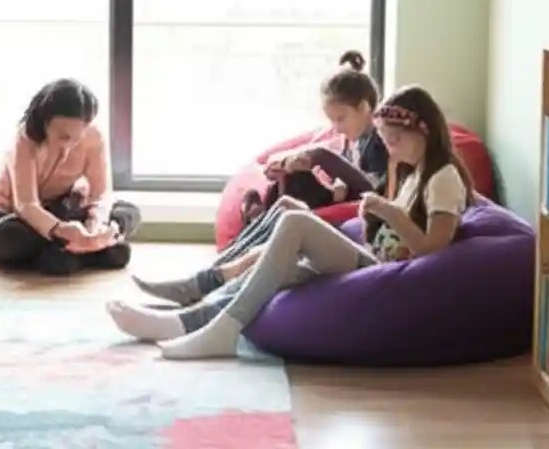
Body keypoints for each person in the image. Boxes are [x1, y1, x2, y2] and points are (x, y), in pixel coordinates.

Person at [108, 84, 473, 360]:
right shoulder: (415, 172)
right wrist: (374, 216)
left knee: (296, 224)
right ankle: (186, 321)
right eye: (386, 140)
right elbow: (396, 229)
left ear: (422, 132)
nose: (390, 148)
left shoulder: (443, 178)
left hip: (381, 271)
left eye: (394, 141)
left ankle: (221, 328)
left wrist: (390, 212)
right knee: (284, 263)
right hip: (372, 257)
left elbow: (433, 250)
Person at [126, 50, 387, 308]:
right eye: (332, 121)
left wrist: (323, 159)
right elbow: (344, 180)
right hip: (335, 209)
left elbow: (372, 189)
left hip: (351, 225)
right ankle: (209, 274)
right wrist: (316, 171)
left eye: (341, 119)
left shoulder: (378, 141)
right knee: (285, 200)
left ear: (364, 107)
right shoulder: (352, 140)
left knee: (291, 203)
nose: (336, 127)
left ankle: (207, 280)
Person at [0, 78, 141, 276]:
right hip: (17, 218)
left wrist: (96, 224)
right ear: (44, 123)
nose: (69, 145)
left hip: (64, 210)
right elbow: (26, 205)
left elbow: (101, 193)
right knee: (5, 238)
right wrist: (61, 230)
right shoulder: (25, 141)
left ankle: (68, 252)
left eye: (76, 137)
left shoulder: (93, 137)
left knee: (128, 212)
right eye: (62, 136)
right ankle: (89, 251)